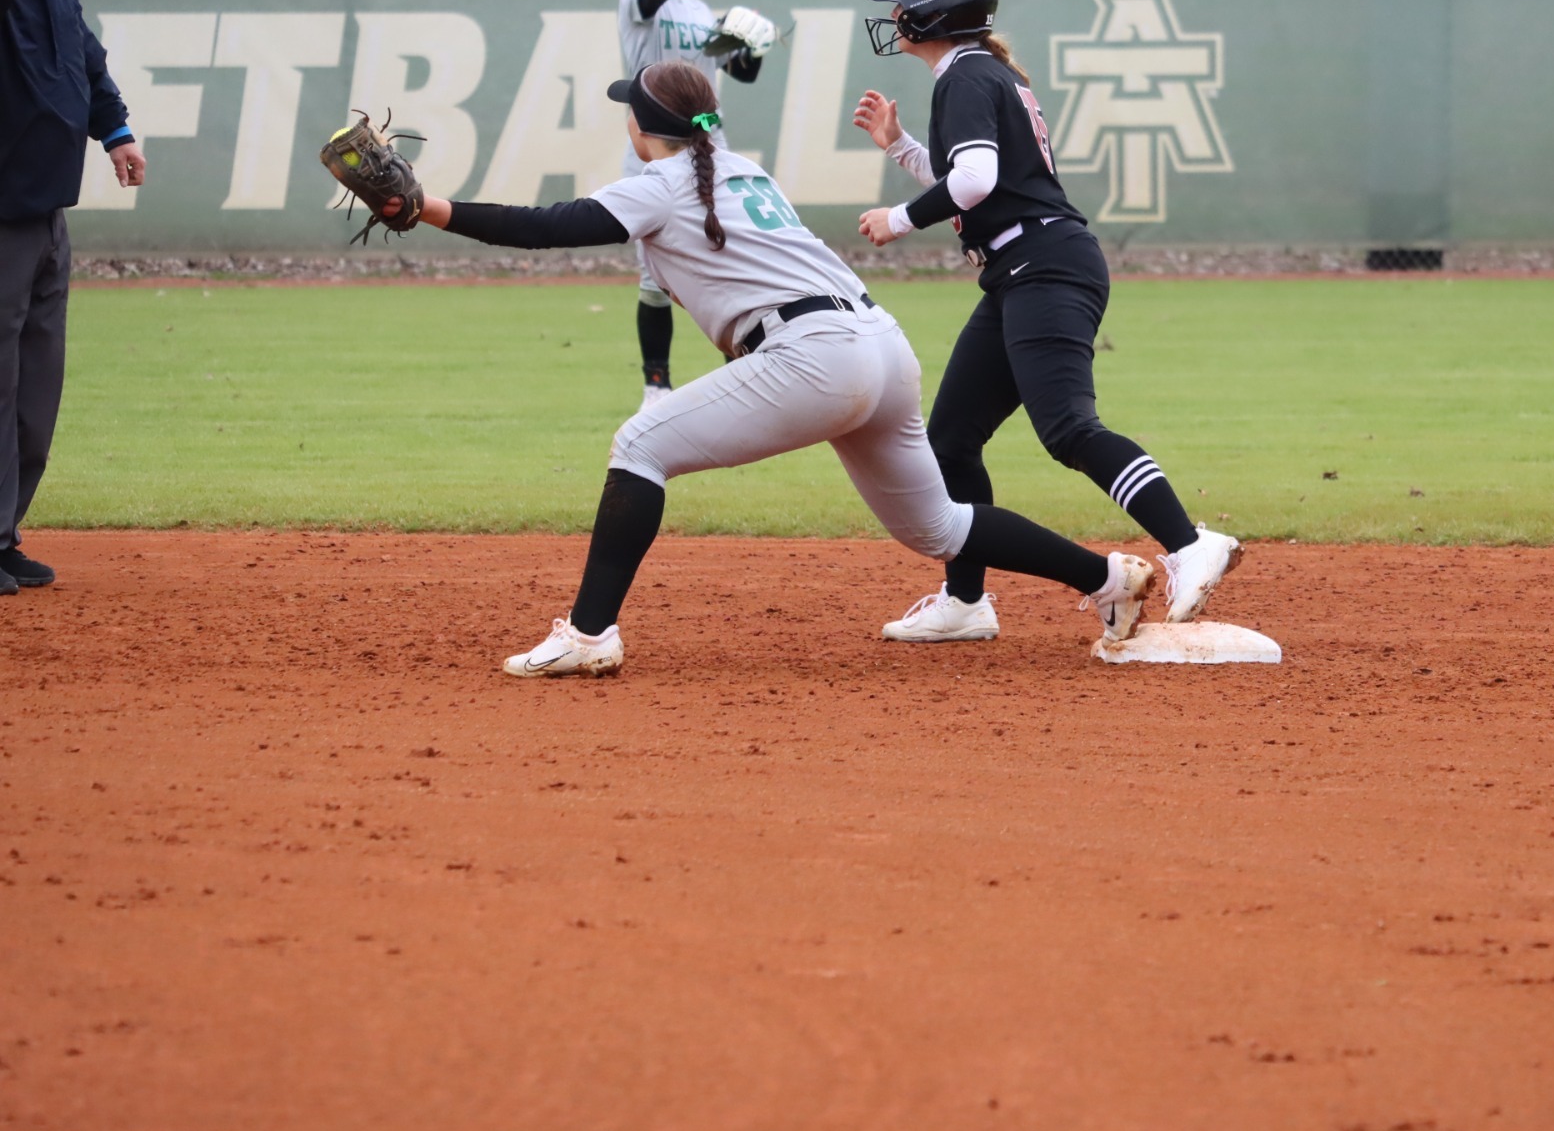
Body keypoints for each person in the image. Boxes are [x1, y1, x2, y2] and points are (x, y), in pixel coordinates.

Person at [369, 61, 1156, 677]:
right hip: (879, 343)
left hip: (816, 359)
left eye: (629, 113)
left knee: (641, 444)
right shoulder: (740, 170)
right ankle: (1109, 580)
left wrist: (425, 207)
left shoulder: (660, 184)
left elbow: (545, 228)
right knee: (940, 527)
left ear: (647, 130)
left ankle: (587, 633)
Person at [852, 0, 1239, 643]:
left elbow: (972, 180)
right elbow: (981, 180)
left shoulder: (966, 74)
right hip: (1020, 269)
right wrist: (901, 146)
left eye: (904, 4)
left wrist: (899, 219)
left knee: (1066, 428)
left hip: (1044, 264)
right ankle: (965, 602)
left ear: (935, 13)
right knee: (951, 439)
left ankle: (1188, 543)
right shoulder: (978, 71)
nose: (895, 15)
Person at [1, 0, 144, 596]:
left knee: (34, 387)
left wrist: (113, 128)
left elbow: (84, 55)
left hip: (47, 208)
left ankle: (2, 531)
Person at [617, 0, 777, 408]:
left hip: (709, 135)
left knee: (731, 256)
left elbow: (741, 72)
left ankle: (745, 370)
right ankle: (655, 386)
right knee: (654, 275)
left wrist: (757, 46)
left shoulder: (701, 10)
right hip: (653, 141)